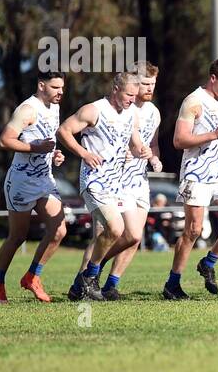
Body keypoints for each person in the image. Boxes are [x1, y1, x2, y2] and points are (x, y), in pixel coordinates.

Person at [59, 72, 151, 302]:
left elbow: (134, 140)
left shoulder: (132, 113)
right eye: (129, 94)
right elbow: (64, 131)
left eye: (135, 95)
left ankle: (81, 282)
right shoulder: (94, 110)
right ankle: (90, 278)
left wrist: (142, 150)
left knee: (132, 235)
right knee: (115, 228)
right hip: (94, 182)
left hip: (117, 184)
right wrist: (84, 153)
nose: (132, 99)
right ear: (116, 89)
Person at [163, 58, 218, 300]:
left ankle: (209, 263)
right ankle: (173, 283)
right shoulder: (193, 102)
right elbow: (179, 141)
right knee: (193, 230)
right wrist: (214, 135)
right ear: (213, 78)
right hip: (196, 173)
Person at [0, 74, 68, 304]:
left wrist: (54, 154)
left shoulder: (54, 107)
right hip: (21, 183)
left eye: (62, 87)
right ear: (41, 85)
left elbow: (43, 140)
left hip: (45, 181)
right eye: (55, 87)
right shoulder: (27, 109)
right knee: (17, 237)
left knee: (59, 230)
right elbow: (5, 140)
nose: (60, 92)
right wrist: (35, 148)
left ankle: (33, 276)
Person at [103, 61, 162, 300]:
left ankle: (110, 284)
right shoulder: (123, 109)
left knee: (134, 239)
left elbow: (153, 144)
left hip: (140, 181)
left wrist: (155, 160)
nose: (149, 89)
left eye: (153, 84)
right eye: (145, 84)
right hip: (117, 181)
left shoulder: (154, 112)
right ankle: (88, 273)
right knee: (123, 234)